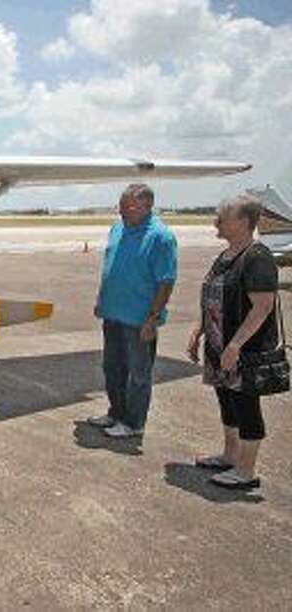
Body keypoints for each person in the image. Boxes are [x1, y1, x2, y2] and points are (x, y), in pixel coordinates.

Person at [187, 194, 280, 489]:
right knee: (226, 400)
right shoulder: (226, 256)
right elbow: (212, 298)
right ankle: (230, 455)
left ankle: (246, 471)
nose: (216, 221)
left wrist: (236, 345)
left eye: (222, 217)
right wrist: (198, 331)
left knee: (245, 405)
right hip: (218, 346)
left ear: (242, 222)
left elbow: (263, 306)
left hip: (242, 350)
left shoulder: (257, 257)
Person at [87, 183, 177, 438]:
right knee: (112, 367)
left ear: (147, 207)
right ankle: (116, 413)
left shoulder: (161, 237)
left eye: (129, 206)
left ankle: (134, 423)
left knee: (138, 374)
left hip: (138, 319)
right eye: (121, 205)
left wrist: (152, 318)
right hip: (112, 312)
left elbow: (166, 281)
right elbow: (111, 266)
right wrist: (101, 299)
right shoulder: (117, 228)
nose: (122, 210)